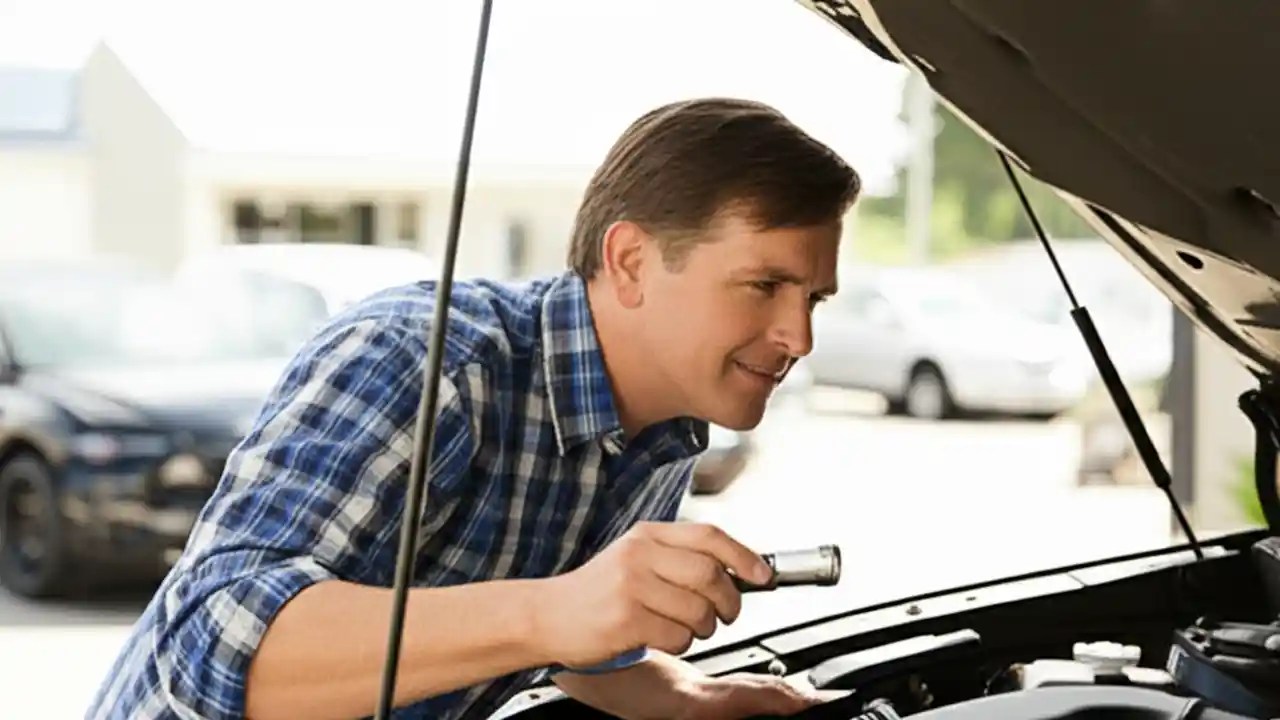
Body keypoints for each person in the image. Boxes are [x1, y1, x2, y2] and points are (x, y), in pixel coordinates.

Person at [87, 97, 861, 720]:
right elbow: (210, 647)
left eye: (814, 299)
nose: (798, 335)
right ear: (631, 262)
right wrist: (552, 612)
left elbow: (560, 639)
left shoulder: (665, 429)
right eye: (765, 286)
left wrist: (685, 696)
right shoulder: (425, 363)